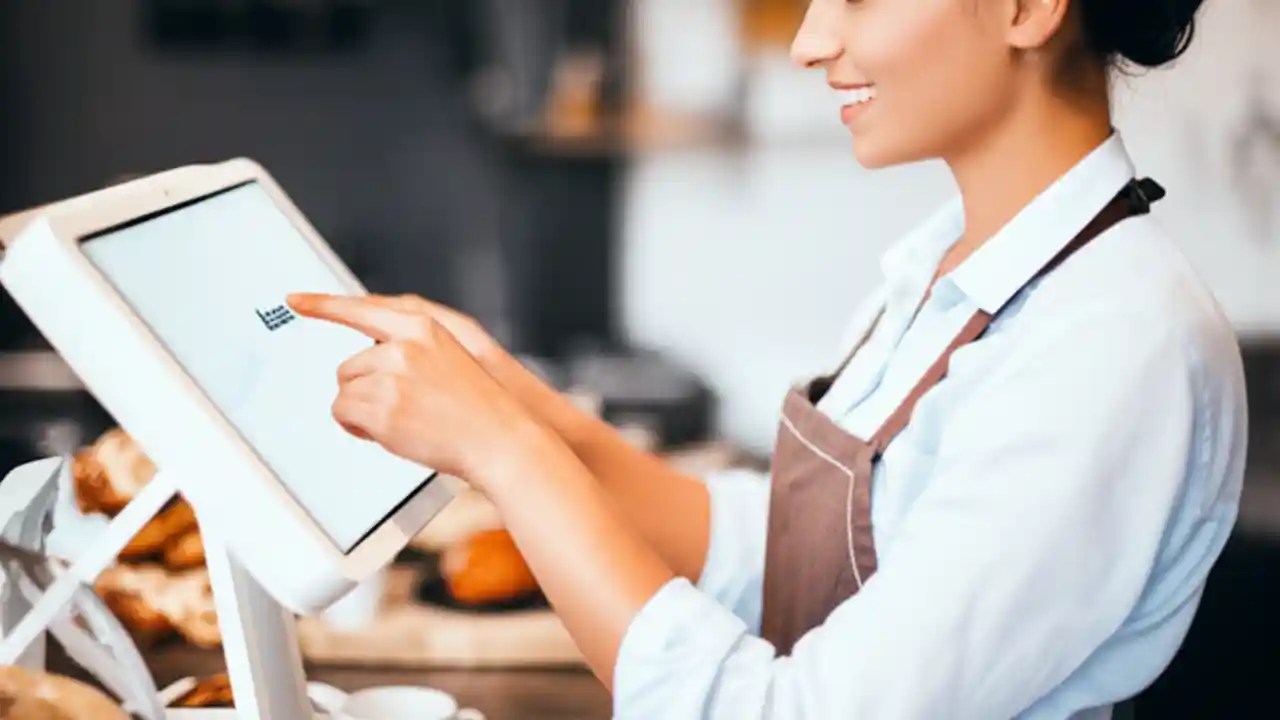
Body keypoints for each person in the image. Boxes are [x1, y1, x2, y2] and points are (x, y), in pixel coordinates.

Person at [288, 0, 1248, 716]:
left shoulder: (1108, 341)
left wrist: (508, 455)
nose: (810, 41)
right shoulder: (944, 268)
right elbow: (774, 553)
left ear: (1028, 8)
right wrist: (520, 402)